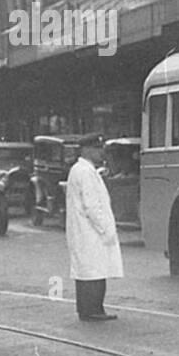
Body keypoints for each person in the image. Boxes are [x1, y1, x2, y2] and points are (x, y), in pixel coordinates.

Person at [65, 134, 123, 322]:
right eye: (97, 149)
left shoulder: (81, 170)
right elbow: (91, 205)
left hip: (85, 230)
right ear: (86, 150)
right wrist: (104, 228)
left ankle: (88, 309)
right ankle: (93, 310)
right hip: (90, 230)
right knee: (94, 271)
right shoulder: (85, 172)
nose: (101, 153)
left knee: (87, 270)